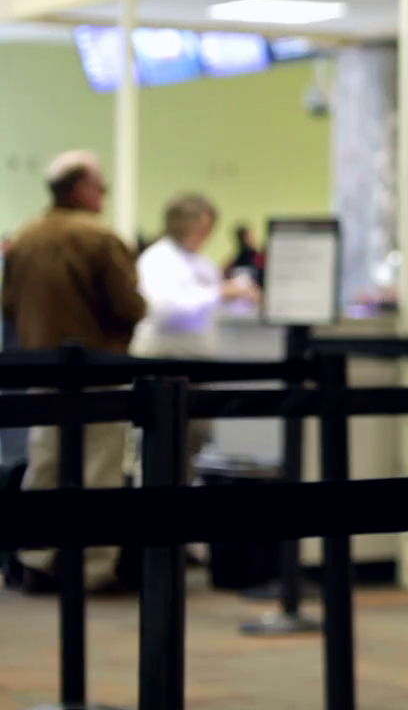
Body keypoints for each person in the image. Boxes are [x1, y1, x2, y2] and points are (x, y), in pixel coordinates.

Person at [3, 151, 147, 591]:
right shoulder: (100, 239)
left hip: (42, 368)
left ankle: (35, 558)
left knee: (45, 462)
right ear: (82, 189)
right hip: (99, 370)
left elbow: (7, 306)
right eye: (101, 187)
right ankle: (92, 569)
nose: (103, 196)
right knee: (100, 468)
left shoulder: (24, 238)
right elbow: (129, 306)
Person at [134, 193, 259, 464]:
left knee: (192, 444)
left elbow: (212, 310)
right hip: (164, 365)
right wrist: (220, 293)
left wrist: (241, 297)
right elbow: (164, 311)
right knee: (161, 447)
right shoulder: (157, 259)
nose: (206, 234)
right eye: (201, 227)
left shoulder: (202, 263)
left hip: (199, 367)